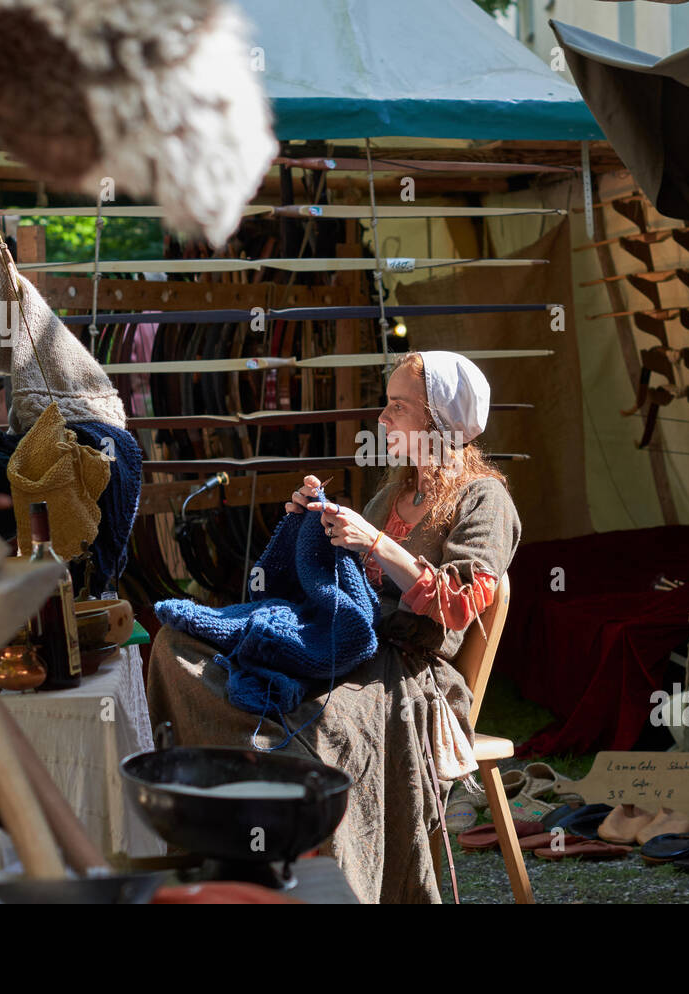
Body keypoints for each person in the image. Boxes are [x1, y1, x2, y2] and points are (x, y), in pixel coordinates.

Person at [146, 350, 521, 903]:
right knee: (179, 646)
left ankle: (326, 877)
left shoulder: (483, 499)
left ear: (441, 422)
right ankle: (240, 844)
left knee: (320, 734)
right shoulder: (391, 494)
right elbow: (343, 593)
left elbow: (460, 604)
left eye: (399, 407)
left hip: (414, 676)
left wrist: (374, 542)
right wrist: (312, 526)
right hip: (351, 650)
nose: (383, 419)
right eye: (386, 405)